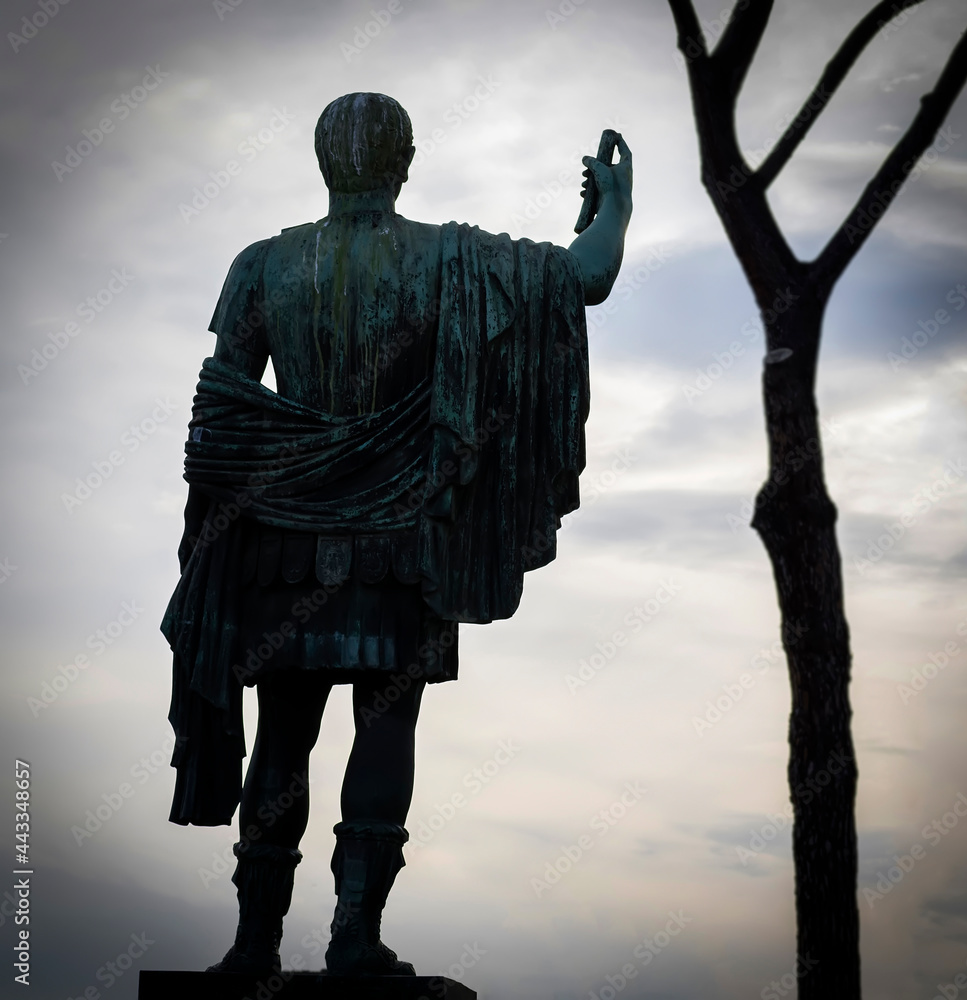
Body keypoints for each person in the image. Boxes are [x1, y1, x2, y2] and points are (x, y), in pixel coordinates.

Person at [160, 91, 632, 978]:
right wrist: (615, 206)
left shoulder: (262, 265)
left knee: (281, 735)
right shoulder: (453, 259)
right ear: (404, 159)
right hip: (399, 539)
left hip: (281, 543)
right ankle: (354, 940)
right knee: (384, 728)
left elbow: (221, 412)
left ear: (322, 159)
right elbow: (583, 279)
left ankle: (253, 946)